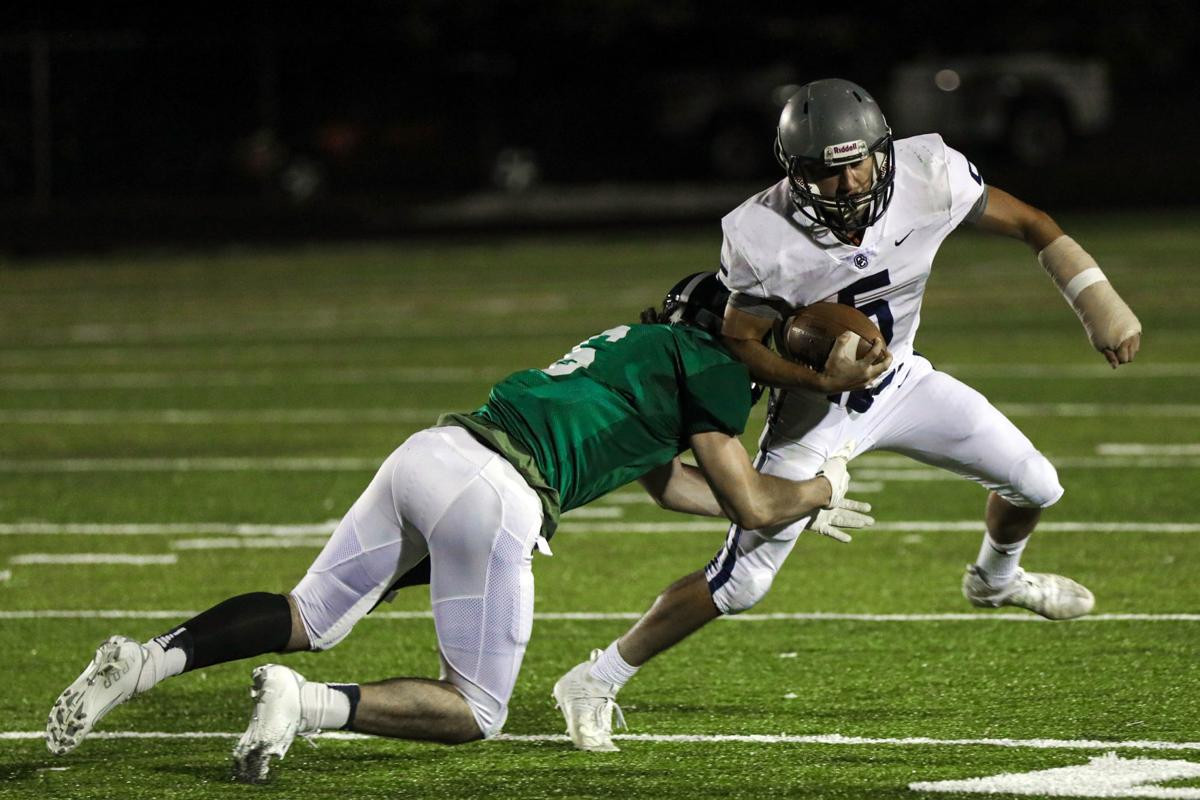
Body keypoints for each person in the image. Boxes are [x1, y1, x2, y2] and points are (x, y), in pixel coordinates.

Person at [44, 272, 876, 781]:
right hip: (495, 493)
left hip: (434, 452)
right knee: (475, 710)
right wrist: (819, 485)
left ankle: (146, 661)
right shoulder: (709, 365)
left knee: (310, 613)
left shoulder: (638, 350)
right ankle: (305, 705)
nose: (761, 346)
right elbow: (752, 506)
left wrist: (788, 495)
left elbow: (672, 488)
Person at [552, 78, 1142, 752]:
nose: (845, 184)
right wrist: (813, 375)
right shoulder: (759, 232)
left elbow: (1035, 224)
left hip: (902, 381)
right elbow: (742, 342)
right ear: (793, 172)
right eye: (823, 173)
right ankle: (594, 679)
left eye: (856, 163)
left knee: (1036, 483)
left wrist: (1096, 298)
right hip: (815, 410)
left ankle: (995, 580)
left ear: (882, 151)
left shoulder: (931, 174)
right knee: (742, 582)